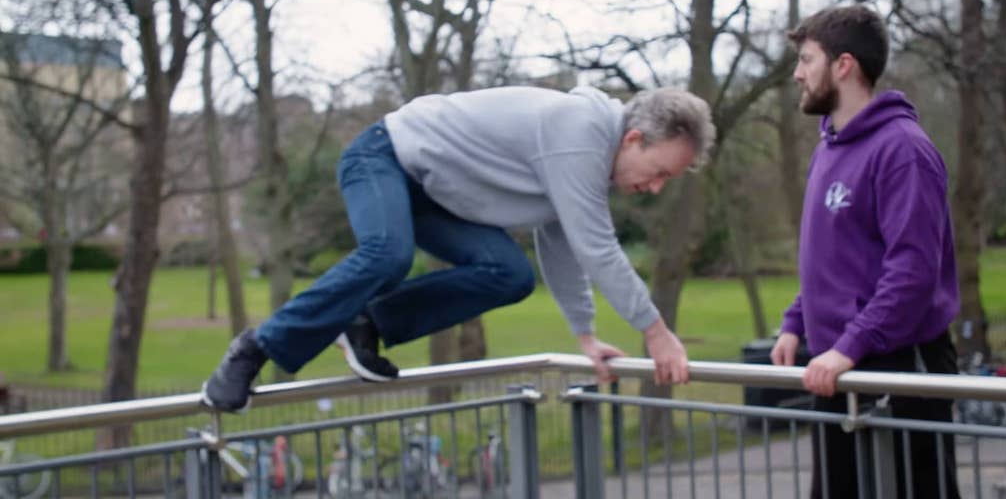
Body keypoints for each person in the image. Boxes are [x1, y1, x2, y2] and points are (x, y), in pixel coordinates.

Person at [203, 85, 716, 412]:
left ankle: (368, 324)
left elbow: (564, 248)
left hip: (432, 194)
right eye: (659, 174)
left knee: (509, 274)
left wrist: (584, 336)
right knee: (387, 252)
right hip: (383, 156)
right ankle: (252, 351)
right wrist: (656, 332)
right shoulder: (580, 133)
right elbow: (598, 246)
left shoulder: (587, 164)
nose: (654, 188)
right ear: (632, 140)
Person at [770, 4, 960, 498]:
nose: (798, 73)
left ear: (844, 65)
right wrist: (797, 322)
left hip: (899, 365)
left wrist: (848, 347)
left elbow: (913, 273)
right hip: (837, 368)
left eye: (807, 59)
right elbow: (835, 260)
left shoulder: (903, 151)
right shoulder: (828, 147)